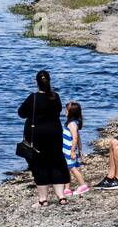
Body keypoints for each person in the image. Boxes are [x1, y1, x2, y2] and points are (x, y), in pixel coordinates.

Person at [17, 70, 71, 207]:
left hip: (37, 135)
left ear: (37, 82)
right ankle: (61, 197)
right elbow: (58, 111)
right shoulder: (56, 96)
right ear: (49, 81)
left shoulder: (33, 97)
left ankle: (43, 199)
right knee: (56, 162)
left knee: (39, 165)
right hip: (55, 133)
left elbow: (21, 113)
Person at [63, 101, 88, 196]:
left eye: (67, 110)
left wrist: (73, 151)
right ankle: (67, 188)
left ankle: (83, 185)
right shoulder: (72, 123)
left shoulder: (72, 124)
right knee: (67, 168)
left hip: (69, 149)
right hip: (67, 149)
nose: (65, 112)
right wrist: (80, 149)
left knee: (72, 168)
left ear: (71, 112)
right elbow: (78, 137)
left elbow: (75, 138)